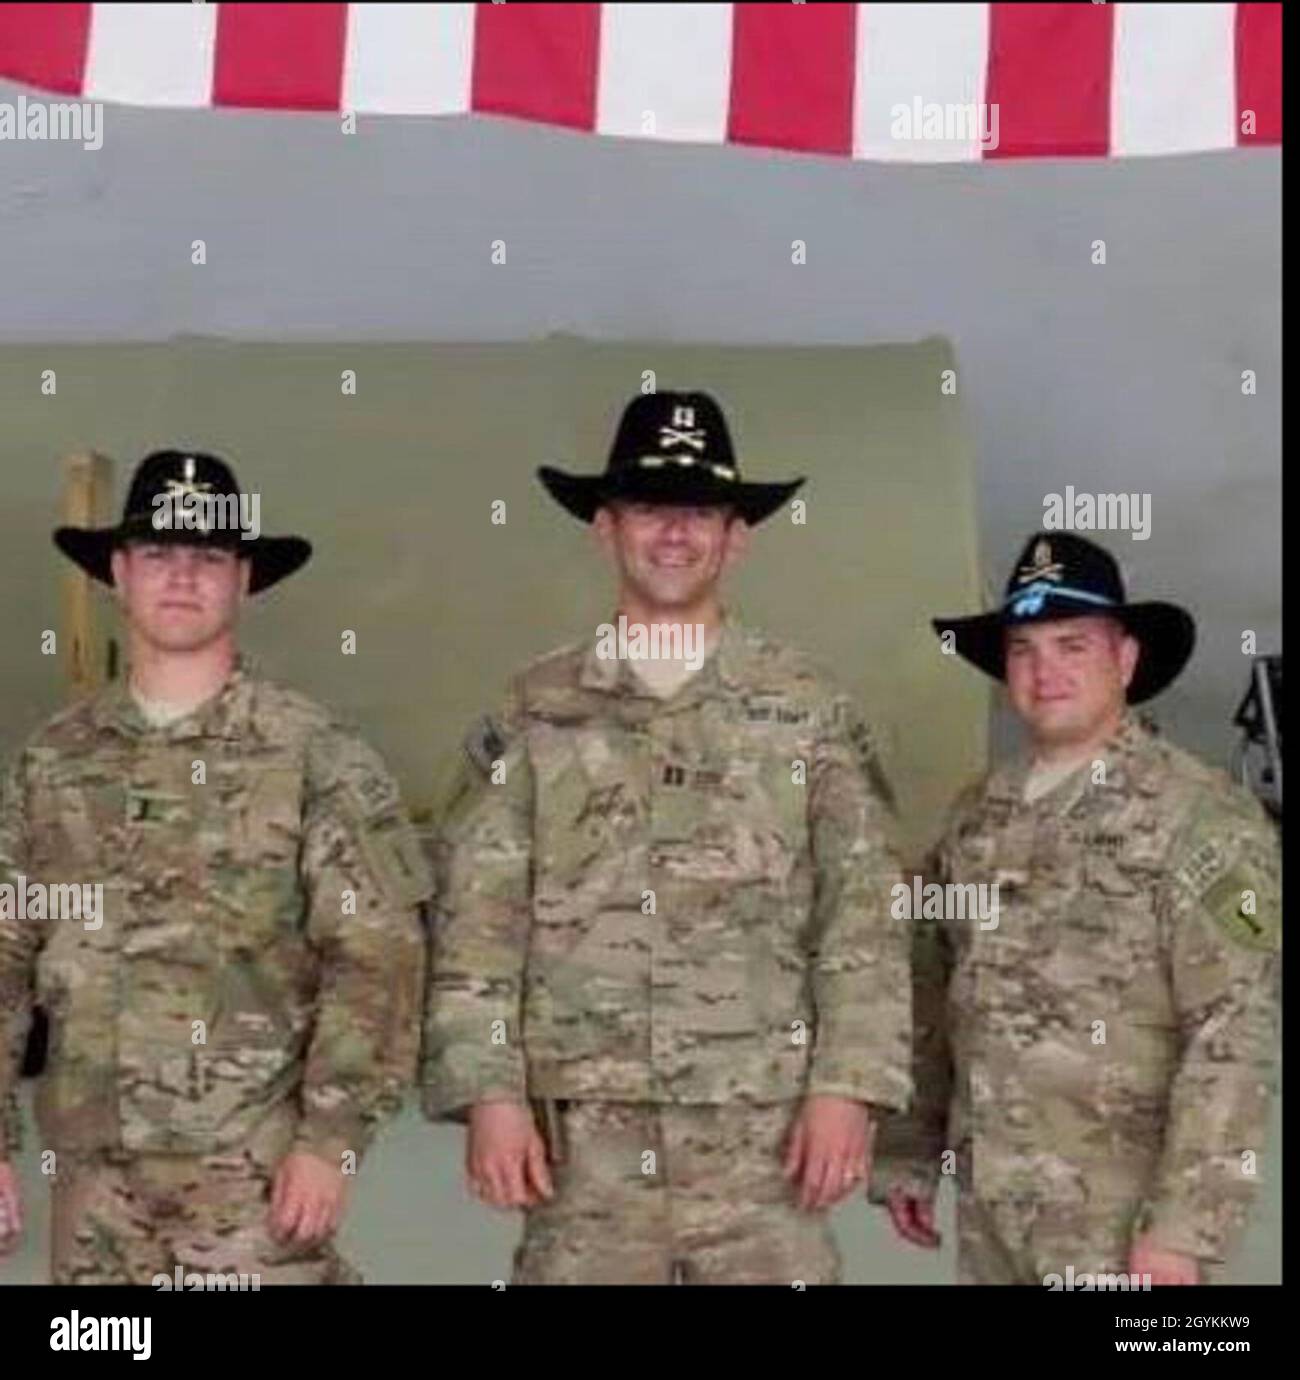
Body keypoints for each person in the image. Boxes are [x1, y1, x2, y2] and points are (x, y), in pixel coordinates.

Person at [422, 390, 911, 1284]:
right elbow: (476, 920)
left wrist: (848, 1086)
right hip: (585, 1146)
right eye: (650, 508)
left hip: (765, 1138)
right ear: (605, 528)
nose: (675, 533)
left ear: (737, 536)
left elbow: (864, 913)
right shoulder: (536, 709)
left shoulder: (807, 710)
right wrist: (489, 1092)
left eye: (700, 512)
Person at [0, 450, 430, 1284]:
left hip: (255, 1189)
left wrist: (330, 1143)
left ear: (243, 581)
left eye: (207, 558)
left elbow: (377, 959)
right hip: (94, 1198)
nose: (182, 577)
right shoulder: (51, 764)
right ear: (119, 575)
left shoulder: (317, 757)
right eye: (158, 554)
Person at [872, 532, 1280, 1285]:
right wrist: (909, 1152)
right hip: (994, 1213)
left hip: (1121, 1228)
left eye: (1072, 645)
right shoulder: (977, 815)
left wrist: (1186, 1229)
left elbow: (1234, 1030)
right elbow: (929, 991)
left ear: (1124, 659)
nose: (1045, 670)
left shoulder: (1201, 819)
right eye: (1023, 649)